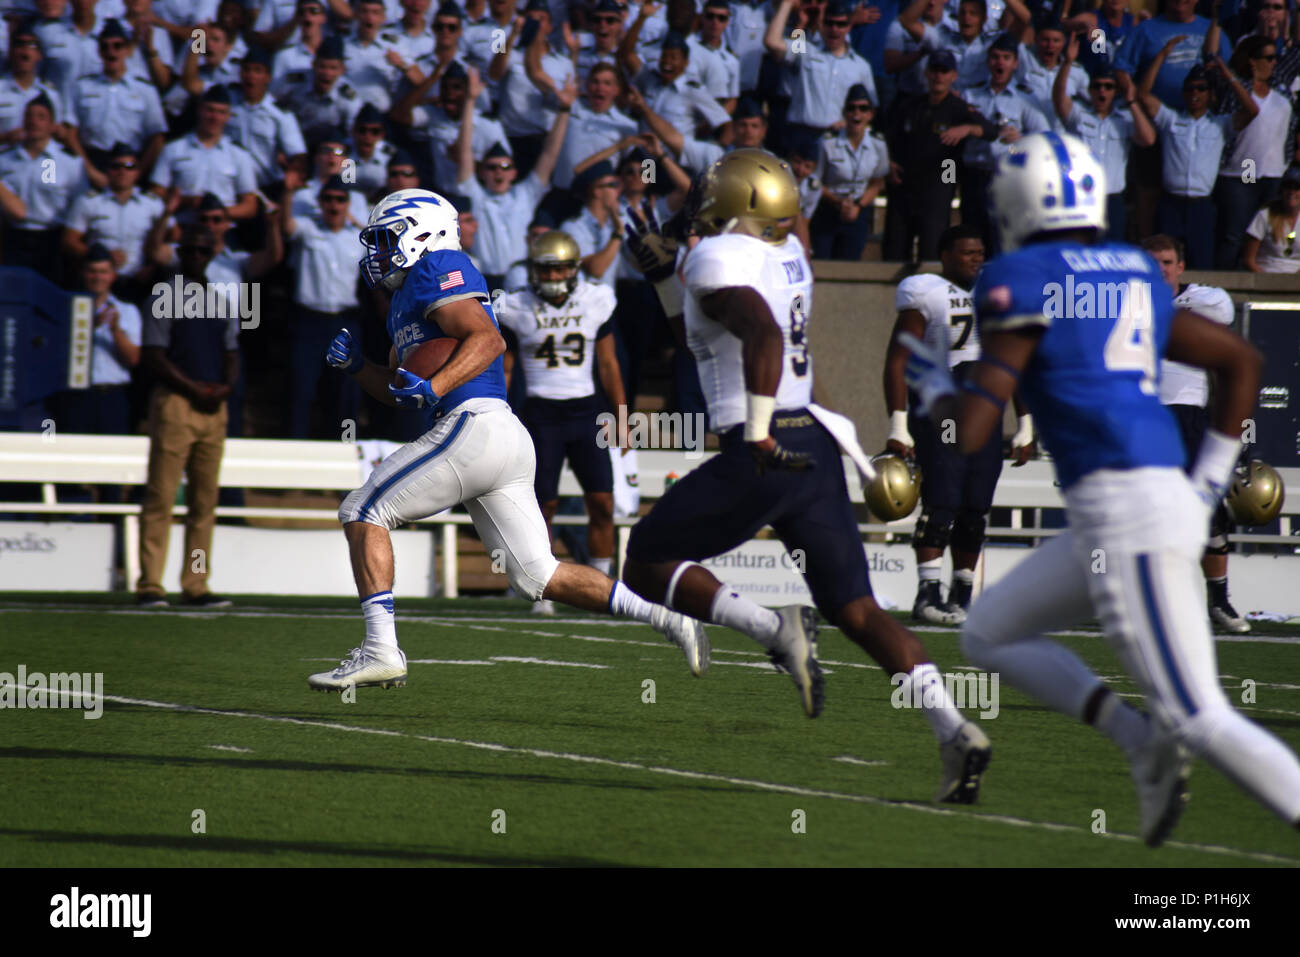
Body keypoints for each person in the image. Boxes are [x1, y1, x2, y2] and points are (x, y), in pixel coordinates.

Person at [901, 130, 1300, 845]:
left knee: (1198, 714)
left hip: (1128, 518)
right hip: (1121, 514)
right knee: (987, 631)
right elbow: (1240, 359)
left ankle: (1155, 741)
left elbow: (978, 421)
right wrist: (1205, 482)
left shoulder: (1015, 281)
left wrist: (937, 391)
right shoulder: (1133, 271)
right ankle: (1136, 740)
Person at [618, 149, 993, 803]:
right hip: (815, 445)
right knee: (857, 608)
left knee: (646, 559)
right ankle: (955, 726)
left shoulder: (716, 257)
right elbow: (705, 336)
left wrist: (758, 432)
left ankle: (772, 628)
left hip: (766, 441)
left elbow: (759, 334)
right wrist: (662, 282)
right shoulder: (785, 251)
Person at [309, 188, 707, 691]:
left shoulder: (440, 265)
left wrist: (432, 386)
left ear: (421, 232)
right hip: (498, 438)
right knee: (538, 576)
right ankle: (669, 618)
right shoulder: (406, 298)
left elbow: (488, 340)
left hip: (473, 426)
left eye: (387, 238)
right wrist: (357, 368)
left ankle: (381, 648)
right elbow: (397, 392)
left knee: (363, 510)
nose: (379, 252)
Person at [885, 223, 1033, 624]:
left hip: (985, 410)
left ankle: (963, 593)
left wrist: (1026, 420)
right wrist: (897, 423)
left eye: (980, 252)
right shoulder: (925, 290)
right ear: (946, 256)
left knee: (975, 507)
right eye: (967, 252)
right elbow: (899, 358)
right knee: (942, 501)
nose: (976, 259)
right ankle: (927, 593)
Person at [496, 230, 630, 615]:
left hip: (587, 412)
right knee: (543, 506)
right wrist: (499, 413)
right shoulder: (516, 305)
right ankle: (543, 587)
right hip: (541, 414)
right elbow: (505, 368)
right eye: (545, 270)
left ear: (574, 269)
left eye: (559, 270)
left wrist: (622, 415)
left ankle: (601, 584)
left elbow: (609, 363)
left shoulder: (595, 299)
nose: (553, 278)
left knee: (603, 502)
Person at [1141, 234, 1248, 634]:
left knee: (1208, 512)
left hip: (1186, 412)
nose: (1160, 269)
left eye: (1167, 262)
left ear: (1180, 266)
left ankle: (1218, 601)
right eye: (1152, 262)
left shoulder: (1205, 300)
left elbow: (1223, 322)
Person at [137, 222, 238, 609]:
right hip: (177, 403)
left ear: (211, 254)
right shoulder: (163, 297)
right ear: (180, 254)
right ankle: (150, 585)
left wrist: (226, 386)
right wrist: (197, 387)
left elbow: (231, 352)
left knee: (203, 501)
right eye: (189, 250)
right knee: (161, 496)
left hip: (213, 406)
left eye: (202, 250)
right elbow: (153, 356)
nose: (196, 256)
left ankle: (195, 584)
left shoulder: (222, 301)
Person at [810, 84, 888, 261]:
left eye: (863, 108)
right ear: (844, 112)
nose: (856, 113)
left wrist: (858, 207)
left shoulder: (878, 144)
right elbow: (815, 181)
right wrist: (839, 203)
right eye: (851, 108)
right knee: (823, 263)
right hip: (829, 208)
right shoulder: (827, 142)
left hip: (858, 211)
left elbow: (877, 182)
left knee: (850, 264)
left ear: (871, 114)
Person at [1242, 165, 1300, 271]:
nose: (1292, 192)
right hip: (1266, 275)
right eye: (1288, 187)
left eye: (1297, 188)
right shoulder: (1265, 214)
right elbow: (1249, 260)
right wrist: (1267, 282)